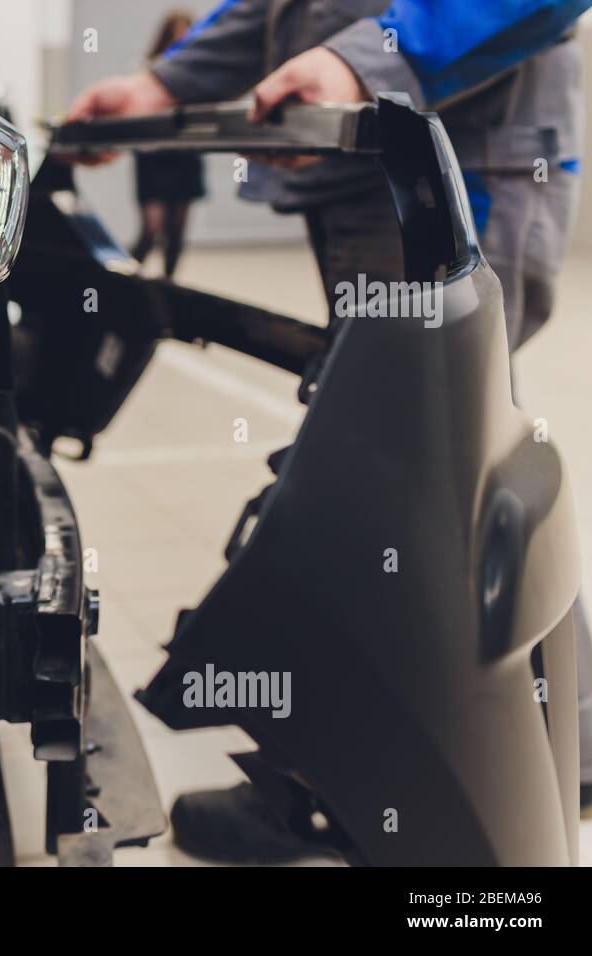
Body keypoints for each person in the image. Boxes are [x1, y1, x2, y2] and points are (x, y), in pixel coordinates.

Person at [68, 0, 592, 862]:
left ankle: (356, 799)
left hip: (454, 156)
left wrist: (377, 56)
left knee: (416, 469)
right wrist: (165, 82)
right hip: (363, 157)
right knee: (436, 454)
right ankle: (556, 729)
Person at [131, 12, 206, 275]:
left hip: (184, 156)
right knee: (152, 229)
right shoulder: (152, 70)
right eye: (178, 30)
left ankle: (168, 284)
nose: (183, 36)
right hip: (154, 158)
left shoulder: (200, 72)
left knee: (176, 230)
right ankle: (126, 279)